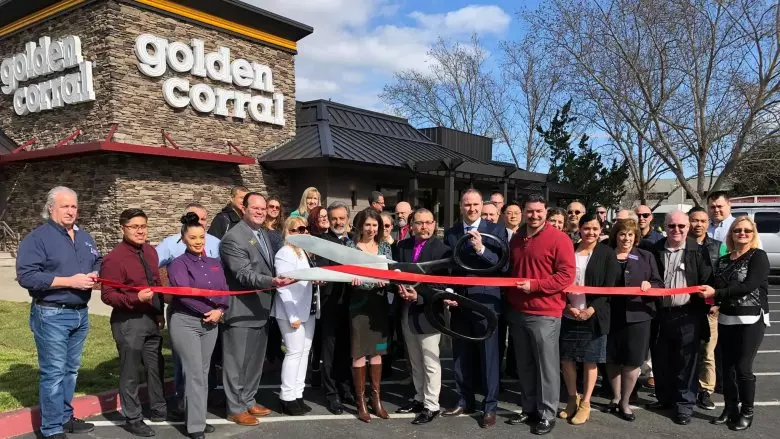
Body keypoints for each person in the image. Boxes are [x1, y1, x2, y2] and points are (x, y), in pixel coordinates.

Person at [16, 186, 101, 439]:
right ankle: (51, 428)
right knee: (53, 372)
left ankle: (64, 418)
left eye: (74, 206)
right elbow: (27, 276)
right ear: (51, 208)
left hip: (80, 313)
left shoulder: (84, 236)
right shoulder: (37, 238)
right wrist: (69, 281)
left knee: (70, 370)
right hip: (52, 313)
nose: (70, 211)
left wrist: (95, 273)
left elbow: (97, 260)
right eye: (65, 206)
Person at [219, 192, 295, 426]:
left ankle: (248, 399)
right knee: (236, 363)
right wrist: (272, 282)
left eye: (263, 208)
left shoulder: (262, 233)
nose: (261, 212)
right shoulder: (233, 238)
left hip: (261, 309)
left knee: (253, 362)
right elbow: (242, 274)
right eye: (256, 208)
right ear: (244, 209)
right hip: (241, 312)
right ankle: (235, 407)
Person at [505, 194, 575, 435]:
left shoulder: (559, 239)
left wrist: (535, 286)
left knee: (546, 367)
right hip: (518, 312)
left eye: (538, 211)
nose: (534, 215)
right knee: (524, 365)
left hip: (545, 313)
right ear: (523, 212)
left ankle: (547, 414)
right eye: (529, 211)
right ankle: (529, 408)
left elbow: (566, 275)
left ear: (546, 211)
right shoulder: (516, 237)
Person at [442, 189, 507, 429]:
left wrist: (481, 249)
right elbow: (448, 269)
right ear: (461, 206)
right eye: (467, 204)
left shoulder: (496, 230)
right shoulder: (451, 233)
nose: (472, 209)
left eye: (476, 204)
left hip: (486, 301)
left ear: (483, 205)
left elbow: (502, 265)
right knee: (460, 355)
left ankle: (489, 407)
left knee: (489, 356)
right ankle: (464, 400)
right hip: (460, 302)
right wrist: (448, 293)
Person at [100, 208, 167, 437]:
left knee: (155, 367)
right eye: (135, 227)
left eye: (143, 226)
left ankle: (159, 409)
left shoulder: (150, 251)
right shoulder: (113, 258)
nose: (140, 231)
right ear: (123, 228)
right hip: (128, 321)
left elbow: (156, 282)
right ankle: (133, 417)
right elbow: (107, 295)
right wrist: (134, 298)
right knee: (130, 371)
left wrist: (160, 314)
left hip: (151, 318)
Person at [700, 216, 770, 431]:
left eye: (747, 231)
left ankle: (747, 412)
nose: (742, 234)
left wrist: (718, 293)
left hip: (751, 318)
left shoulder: (758, 256)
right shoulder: (723, 260)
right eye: (737, 230)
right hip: (727, 317)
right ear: (730, 234)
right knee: (727, 368)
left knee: (743, 367)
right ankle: (730, 408)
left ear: (753, 233)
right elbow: (716, 286)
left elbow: (749, 285)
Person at [167, 212, 229, 439]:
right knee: (194, 373)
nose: (198, 241)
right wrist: (208, 311)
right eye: (193, 238)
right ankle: (195, 427)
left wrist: (219, 310)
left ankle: (197, 417)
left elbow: (224, 291)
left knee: (202, 373)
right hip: (186, 322)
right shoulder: (178, 264)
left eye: (201, 237)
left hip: (211, 323)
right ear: (184, 239)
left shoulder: (214, 263)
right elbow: (184, 296)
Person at [647, 210, 712, 425]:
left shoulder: (698, 251)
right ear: (664, 227)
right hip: (660, 314)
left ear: (688, 228)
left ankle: (684, 405)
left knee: (686, 362)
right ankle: (664, 398)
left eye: (681, 226)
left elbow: (707, 280)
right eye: (671, 226)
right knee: (661, 359)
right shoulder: (654, 250)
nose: (676, 230)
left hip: (688, 313)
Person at [156, 203, 221, 412]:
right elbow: (153, 268)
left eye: (202, 219)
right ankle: (183, 404)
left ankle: (200, 406)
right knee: (184, 365)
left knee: (202, 368)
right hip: (184, 312)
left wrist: (220, 309)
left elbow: (221, 281)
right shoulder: (170, 245)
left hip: (211, 316)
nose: (198, 223)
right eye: (194, 218)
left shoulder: (215, 244)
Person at [559, 213, 619, 426]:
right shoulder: (569, 249)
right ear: (580, 229)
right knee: (567, 359)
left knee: (589, 360)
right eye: (587, 228)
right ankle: (572, 399)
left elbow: (609, 288)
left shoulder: (607, 253)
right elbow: (559, 278)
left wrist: (591, 310)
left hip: (594, 315)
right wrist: (567, 306)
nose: (591, 233)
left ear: (601, 230)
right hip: (568, 313)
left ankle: (586, 403)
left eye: (595, 228)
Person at [393, 208, 450, 425]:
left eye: (428, 222)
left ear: (434, 224)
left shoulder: (443, 250)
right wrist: (399, 288)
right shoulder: (402, 246)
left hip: (429, 311)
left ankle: (431, 404)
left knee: (430, 361)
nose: (424, 227)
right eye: (419, 223)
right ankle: (419, 397)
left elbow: (442, 283)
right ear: (412, 225)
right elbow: (394, 273)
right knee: (415, 360)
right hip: (406, 309)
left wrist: (419, 294)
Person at [604, 218, 663, 422]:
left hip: (639, 315)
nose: (626, 238)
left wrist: (650, 285)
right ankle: (616, 396)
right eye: (622, 234)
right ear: (615, 236)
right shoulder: (606, 255)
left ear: (635, 237)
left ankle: (626, 401)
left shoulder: (646, 256)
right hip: (611, 315)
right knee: (612, 358)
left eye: (630, 234)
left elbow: (658, 282)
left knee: (632, 360)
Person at [347, 208, 393, 423]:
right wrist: (352, 278)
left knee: (377, 352)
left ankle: (376, 400)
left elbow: (389, 273)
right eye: (368, 225)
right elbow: (345, 272)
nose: (372, 229)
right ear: (360, 225)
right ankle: (361, 402)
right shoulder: (350, 246)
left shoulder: (384, 246)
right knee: (358, 353)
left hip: (378, 304)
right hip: (358, 305)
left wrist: (385, 279)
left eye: (375, 225)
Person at [273, 217, 318, 416]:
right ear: (289, 232)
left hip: (307, 308)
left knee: (304, 352)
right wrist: (292, 316)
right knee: (293, 352)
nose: (304, 231)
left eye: (306, 228)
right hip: (291, 310)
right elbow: (283, 286)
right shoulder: (284, 253)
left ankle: (297, 393)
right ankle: (287, 396)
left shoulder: (304, 252)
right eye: (299, 229)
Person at [317, 201, 356, 415]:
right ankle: (332, 395)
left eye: (342, 218)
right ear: (329, 220)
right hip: (331, 302)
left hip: (353, 304)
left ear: (348, 219)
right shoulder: (321, 242)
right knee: (330, 351)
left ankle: (346, 388)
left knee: (347, 350)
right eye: (334, 219)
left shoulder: (354, 242)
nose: (338, 222)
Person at [688, 206, 727, 410]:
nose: (699, 224)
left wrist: (717, 302)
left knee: (707, 352)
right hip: (685, 307)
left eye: (703, 221)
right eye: (695, 220)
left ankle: (705, 390)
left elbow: (722, 276)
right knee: (686, 350)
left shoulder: (718, 246)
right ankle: (686, 387)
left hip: (709, 308)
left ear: (708, 223)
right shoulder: (681, 244)